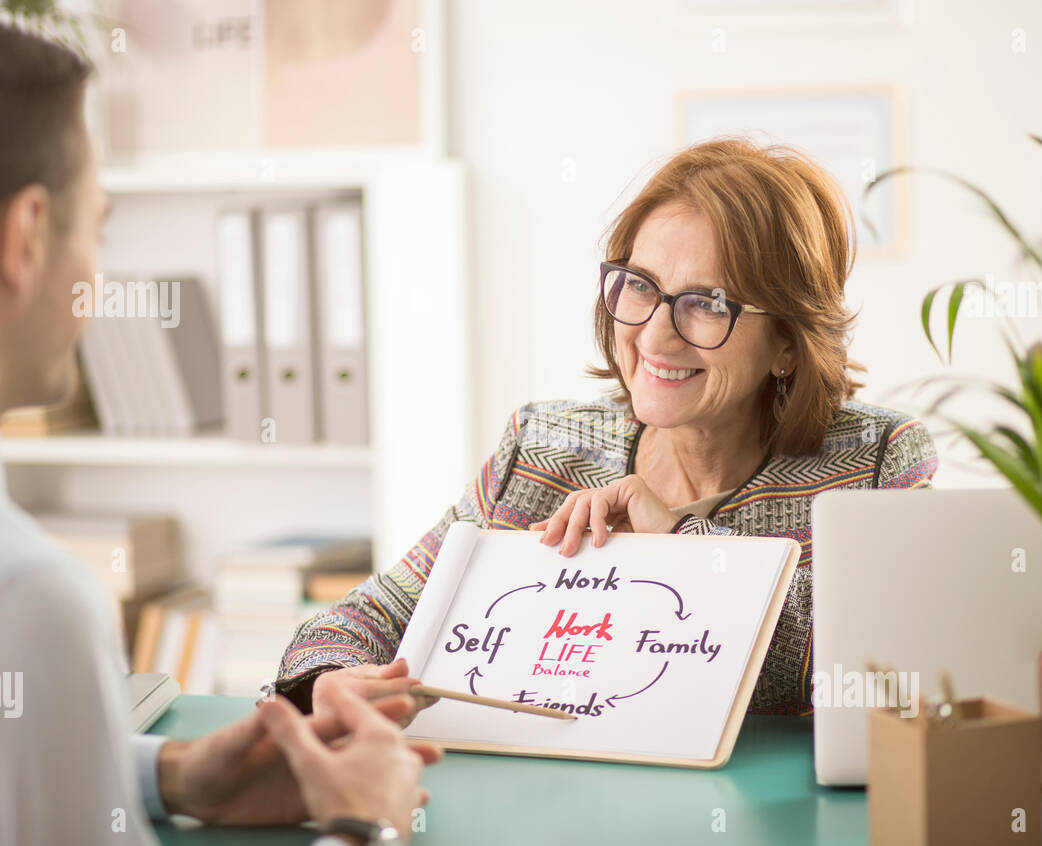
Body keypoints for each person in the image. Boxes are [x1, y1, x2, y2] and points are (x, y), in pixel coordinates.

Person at [0, 9, 439, 846]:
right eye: (98, 226)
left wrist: (172, 773)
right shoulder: (11, 600)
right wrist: (361, 831)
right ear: (24, 238)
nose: (99, 273)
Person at [274, 139, 938, 717]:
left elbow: (884, 688)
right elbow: (362, 619)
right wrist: (329, 682)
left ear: (788, 343)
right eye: (640, 286)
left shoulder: (875, 463)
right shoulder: (540, 449)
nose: (654, 335)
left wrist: (680, 543)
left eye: (708, 304)